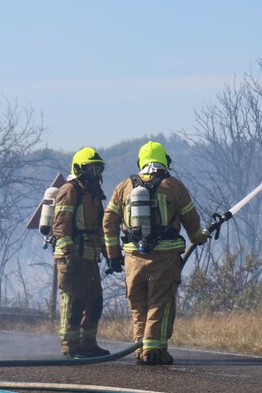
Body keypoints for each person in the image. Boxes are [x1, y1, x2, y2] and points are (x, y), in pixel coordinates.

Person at [102, 140, 208, 366]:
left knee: (138, 304)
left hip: (133, 258)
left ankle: (143, 348)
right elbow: (191, 220)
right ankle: (152, 351)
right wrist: (199, 237)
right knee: (159, 302)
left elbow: (109, 220)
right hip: (165, 257)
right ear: (165, 161)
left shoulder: (124, 186)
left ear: (141, 161)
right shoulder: (173, 185)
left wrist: (112, 254)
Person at [53, 147, 110, 358]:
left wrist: (109, 254)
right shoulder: (70, 190)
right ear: (79, 169)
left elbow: (100, 228)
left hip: (90, 257)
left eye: (98, 169)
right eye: (91, 169)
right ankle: (70, 347)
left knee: (94, 301)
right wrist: (69, 255)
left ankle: (88, 344)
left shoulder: (94, 194)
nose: (96, 175)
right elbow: (60, 225)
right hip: (72, 258)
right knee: (73, 301)